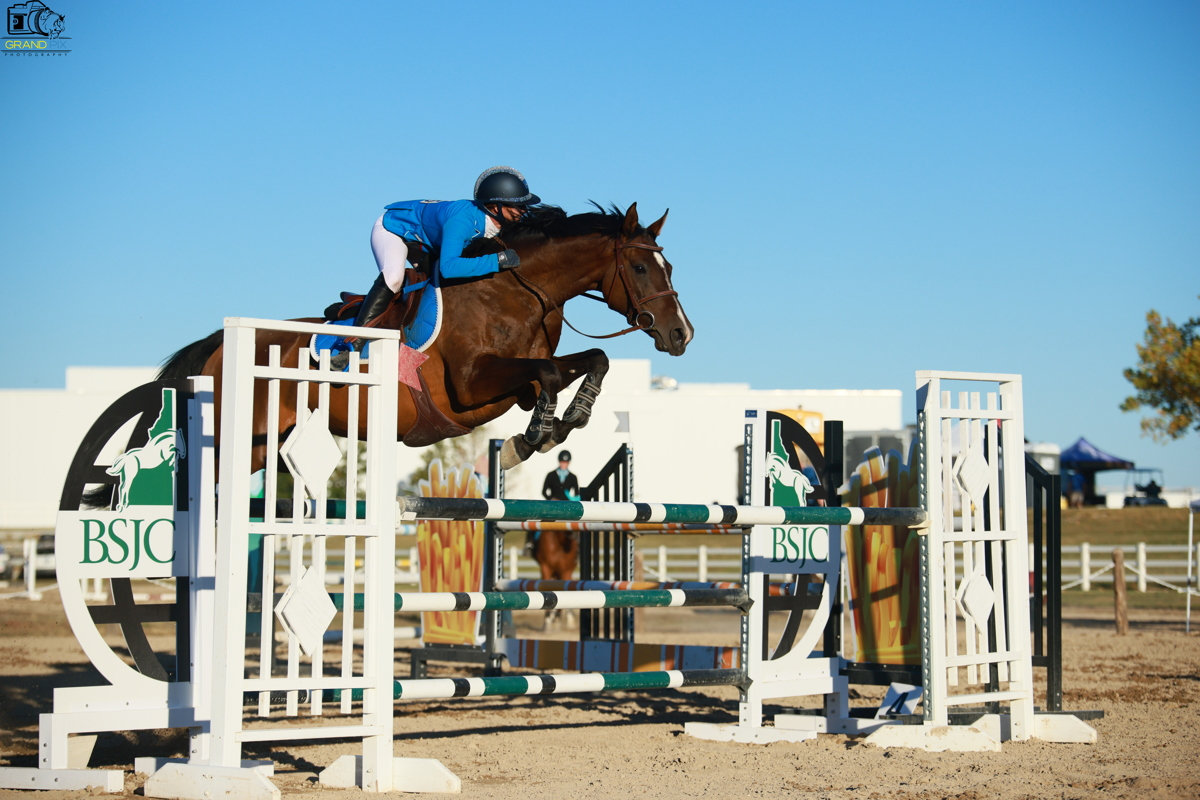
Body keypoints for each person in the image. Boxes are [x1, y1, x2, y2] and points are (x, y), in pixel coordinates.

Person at [332, 166, 540, 368]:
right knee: (394, 278)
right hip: (394, 230)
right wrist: (497, 261)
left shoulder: (499, 219)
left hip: (426, 241)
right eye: (518, 207)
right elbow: (449, 268)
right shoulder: (463, 221)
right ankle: (352, 344)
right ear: (495, 207)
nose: (523, 211)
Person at [528, 450, 579, 555]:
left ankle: (579, 548)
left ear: (569, 463)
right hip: (552, 505)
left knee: (576, 527)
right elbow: (544, 491)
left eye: (565, 462)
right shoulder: (551, 475)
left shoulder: (573, 477)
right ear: (559, 462)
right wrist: (551, 498)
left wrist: (572, 500)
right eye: (562, 462)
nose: (563, 464)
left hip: (566, 507)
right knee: (539, 523)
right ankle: (531, 543)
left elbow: (577, 494)